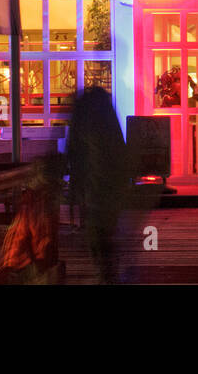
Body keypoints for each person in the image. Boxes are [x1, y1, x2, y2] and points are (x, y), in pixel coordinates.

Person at [67, 86, 130, 283]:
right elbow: (120, 154)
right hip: (108, 188)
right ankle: (107, 272)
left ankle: (105, 272)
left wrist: (75, 189)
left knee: (97, 234)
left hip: (95, 189)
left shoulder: (83, 121)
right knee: (104, 232)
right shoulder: (108, 121)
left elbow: (75, 155)